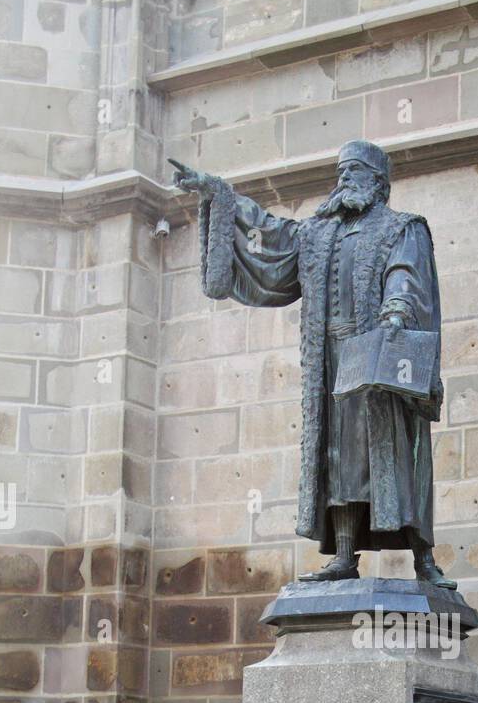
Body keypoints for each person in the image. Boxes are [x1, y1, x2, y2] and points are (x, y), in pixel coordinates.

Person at [170, 140, 455, 587]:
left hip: (381, 354)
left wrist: (396, 309)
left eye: (354, 171)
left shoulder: (401, 228)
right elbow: (269, 232)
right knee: (337, 457)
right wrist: (218, 194)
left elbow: (407, 274)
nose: (343, 179)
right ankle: (344, 555)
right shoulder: (317, 235)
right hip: (331, 363)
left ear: (378, 183)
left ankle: (424, 559)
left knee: (397, 458)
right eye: (341, 171)